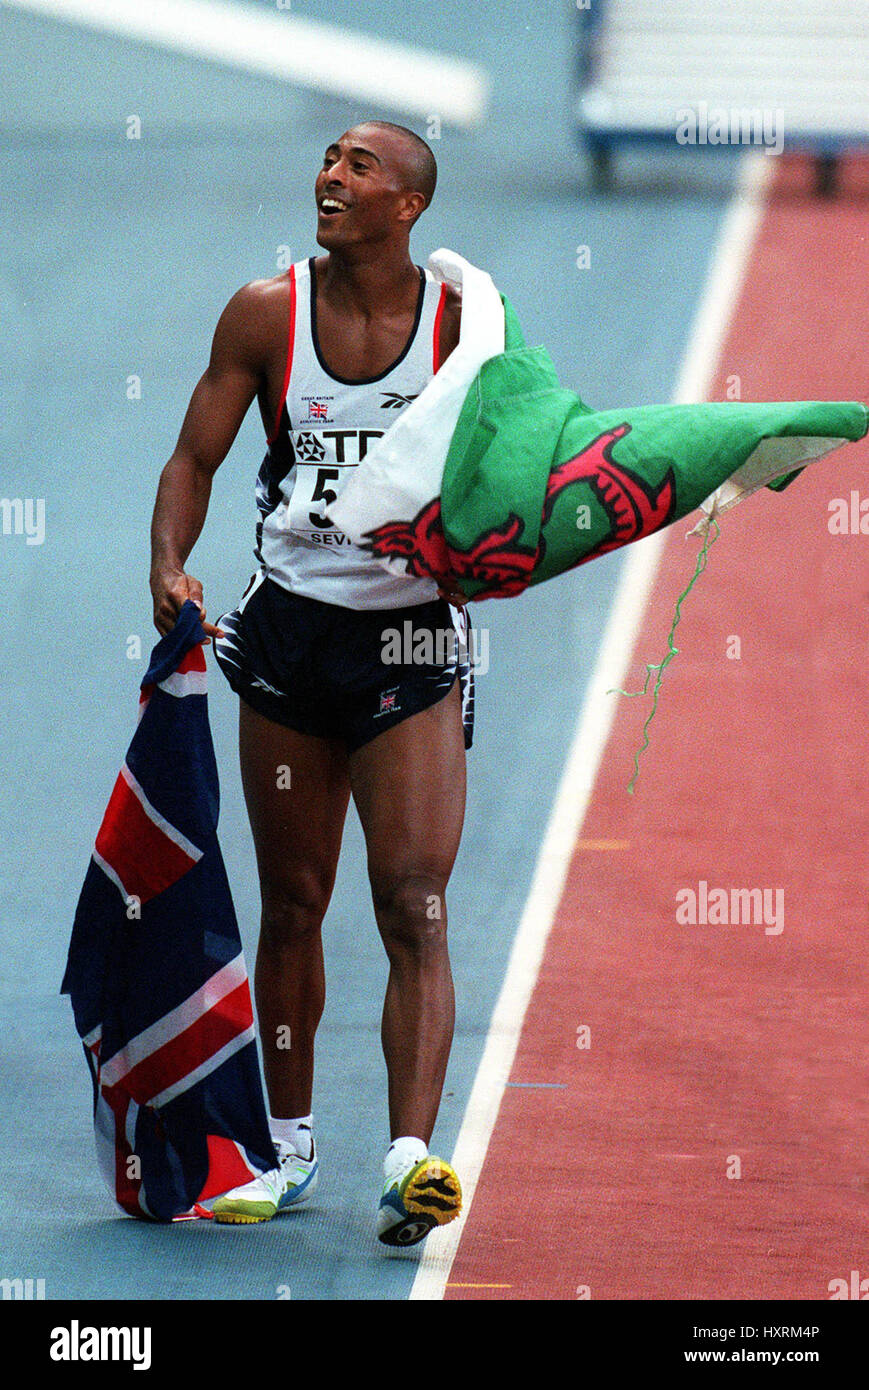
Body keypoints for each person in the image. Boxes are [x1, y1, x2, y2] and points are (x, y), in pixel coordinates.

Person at [149, 121, 473, 1247]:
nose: (330, 179)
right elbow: (194, 457)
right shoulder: (264, 312)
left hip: (408, 647)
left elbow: (525, 465)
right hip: (287, 640)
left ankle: (409, 1161)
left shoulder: (463, 326)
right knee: (291, 904)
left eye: (359, 169)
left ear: (408, 207)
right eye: (328, 160)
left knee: (411, 901)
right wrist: (168, 564)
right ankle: (285, 1151)